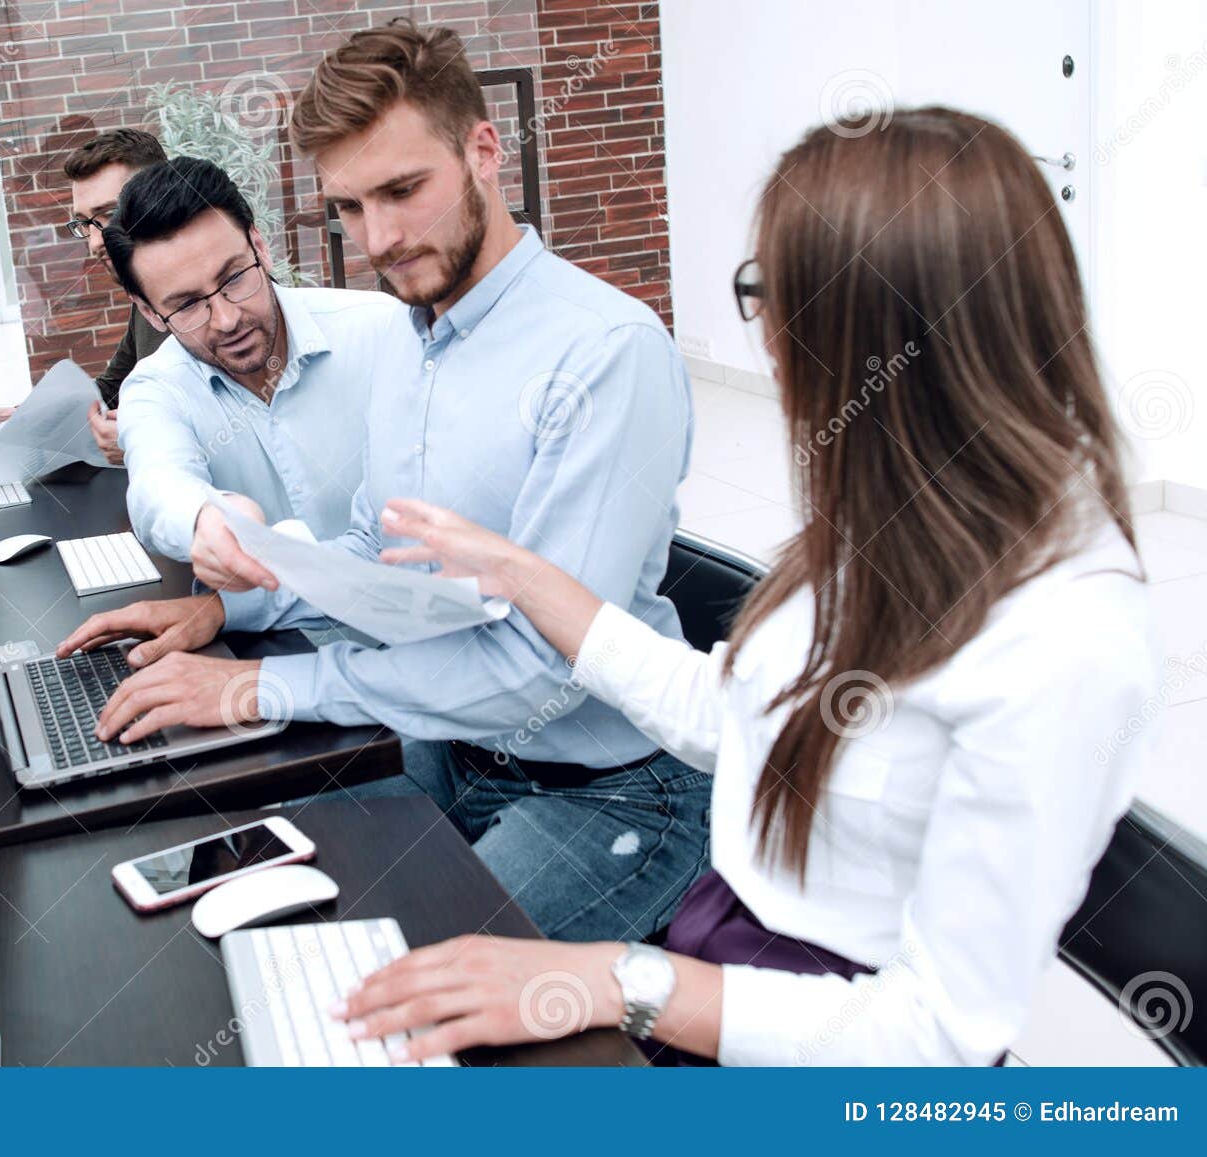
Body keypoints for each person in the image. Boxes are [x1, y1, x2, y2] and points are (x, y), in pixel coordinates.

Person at [326, 108, 1153, 1066]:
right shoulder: (899, 522)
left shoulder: (1067, 631)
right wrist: (517, 570)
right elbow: (733, 713)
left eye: (773, 297)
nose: (764, 343)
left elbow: (936, 1038)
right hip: (727, 967)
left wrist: (616, 979)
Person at [61, 22, 710, 944]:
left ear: (484, 151)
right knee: (267, 928)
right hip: (459, 746)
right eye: (351, 209)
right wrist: (229, 611)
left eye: (404, 190)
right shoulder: (414, 338)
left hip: (611, 793)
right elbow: (373, 553)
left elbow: (547, 666)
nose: (382, 238)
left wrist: (260, 690)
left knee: (394, 1002)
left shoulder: (605, 350)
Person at [85, 154, 399, 570]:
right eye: (188, 305)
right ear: (147, 312)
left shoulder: (381, 330)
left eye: (234, 278)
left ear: (261, 248)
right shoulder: (155, 389)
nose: (228, 319)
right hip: (265, 628)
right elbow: (157, 484)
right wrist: (204, 519)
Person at [0, 128, 170, 464]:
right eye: (84, 224)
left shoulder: (219, 304)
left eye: (108, 214)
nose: (94, 243)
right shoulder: (146, 299)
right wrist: (16, 419)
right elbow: (107, 393)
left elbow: (249, 432)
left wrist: (144, 445)